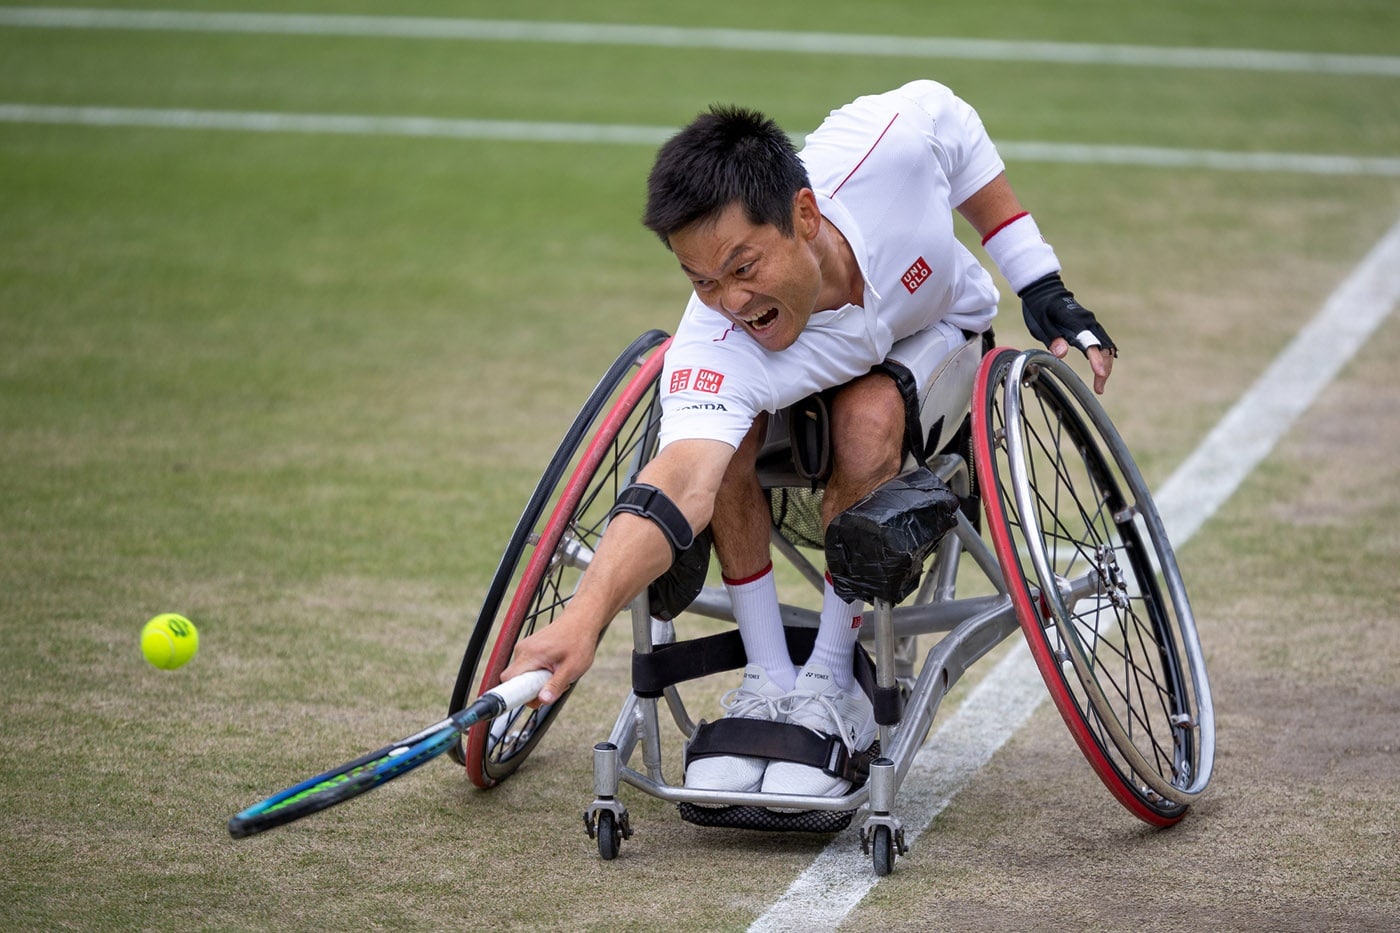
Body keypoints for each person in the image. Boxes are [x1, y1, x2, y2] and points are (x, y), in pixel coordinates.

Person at [502, 79, 1116, 802]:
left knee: (863, 421)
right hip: (802, 377)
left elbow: (955, 120)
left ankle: (830, 677)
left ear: (804, 212)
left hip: (939, 332)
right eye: (701, 280)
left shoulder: (886, 150)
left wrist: (1039, 280)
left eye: (743, 266)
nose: (729, 301)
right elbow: (682, 479)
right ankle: (770, 676)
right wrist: (583, 618)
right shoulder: (719, 336)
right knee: (720, 443)